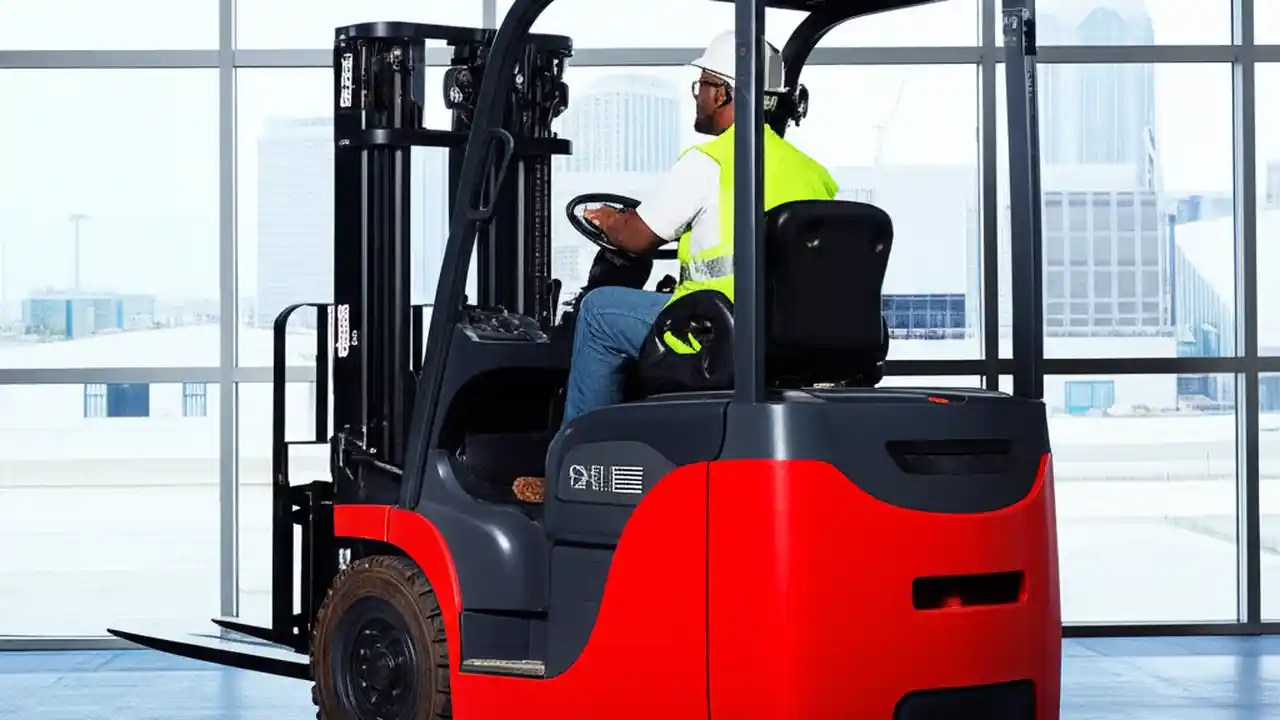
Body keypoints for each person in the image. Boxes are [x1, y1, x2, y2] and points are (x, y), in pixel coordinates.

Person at [512, 31, 839, 503]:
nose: (700, 96)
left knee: (600, 312)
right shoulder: (811, 172)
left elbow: (638, 235)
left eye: (703, 85)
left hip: (717, 334)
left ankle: (573, 465)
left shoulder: (711, 162)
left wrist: (609, 220)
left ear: (725, 92)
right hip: (785, 336)